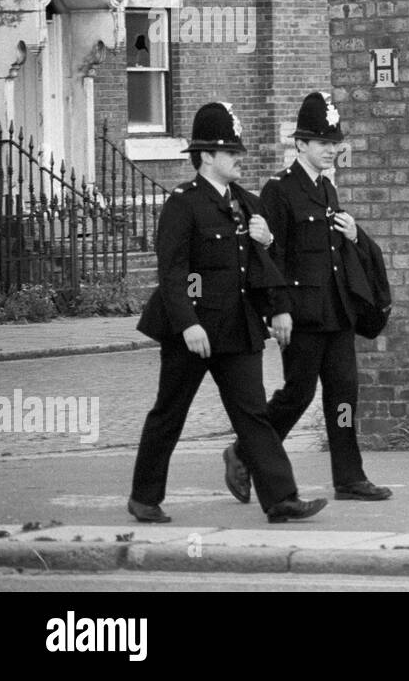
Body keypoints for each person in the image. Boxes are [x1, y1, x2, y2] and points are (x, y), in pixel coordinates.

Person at [128, 102, 327, 524]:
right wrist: (187, 324)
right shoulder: (184, 204)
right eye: (230, 152)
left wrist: (276, 295)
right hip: (194, 330)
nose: (239, 159)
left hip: (236, 329)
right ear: (205, 157)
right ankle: (144, 497)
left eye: (239, 152)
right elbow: (173, 271)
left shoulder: (248, 203)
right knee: (170, 411)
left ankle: (281, 498)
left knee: (252, 415)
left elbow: (257, 267)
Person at [223, 92, 391, 503]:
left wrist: (354, 234)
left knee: (344, 393)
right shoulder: (279, 191)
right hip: (301, 315)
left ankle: (349, 476)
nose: (331, 150)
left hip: (336, 311)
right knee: (297, 394)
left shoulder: (326, 190)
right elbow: (268, 255)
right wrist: (278, 310)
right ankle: (244, 452)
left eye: (335, 143)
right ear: (300, 144)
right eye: (323, 143)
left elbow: (335, 254)